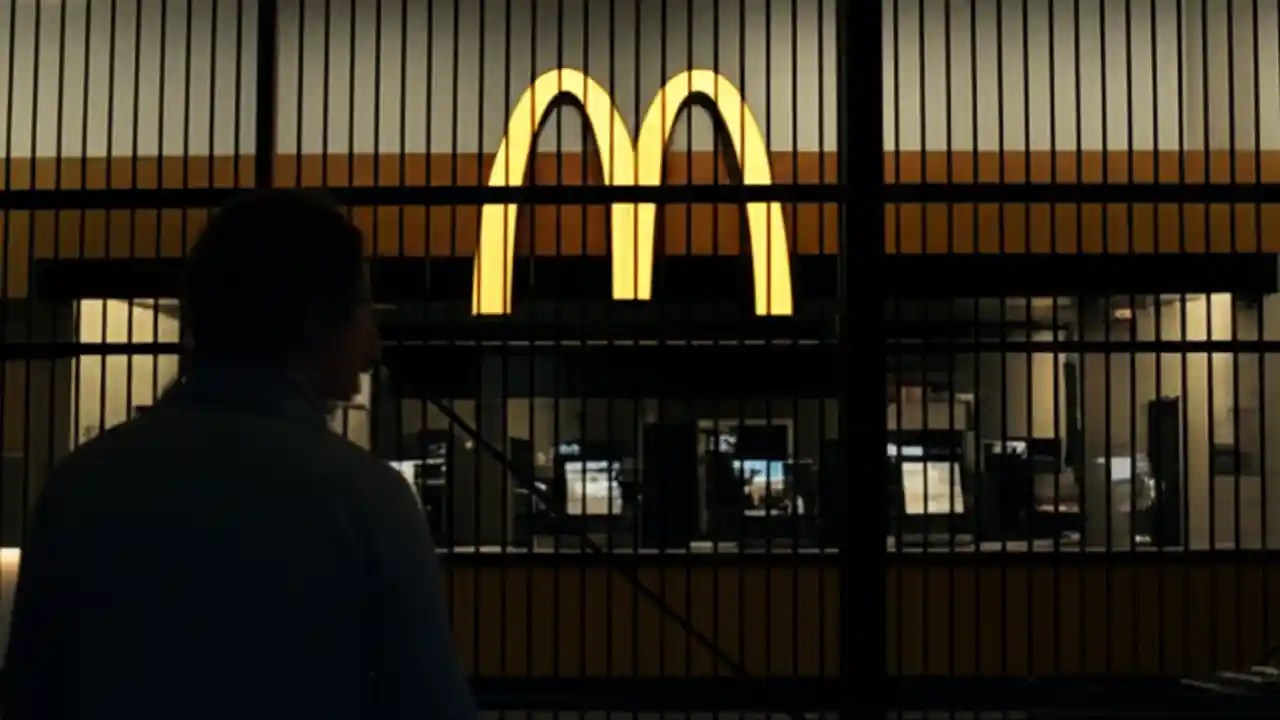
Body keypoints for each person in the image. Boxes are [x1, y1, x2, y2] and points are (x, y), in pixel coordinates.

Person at [2, 190, 477, 720]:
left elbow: (30, 695)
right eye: (364, 308)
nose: (374, 345)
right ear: (317, 318)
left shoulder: (78, 490)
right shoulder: (370, 502)